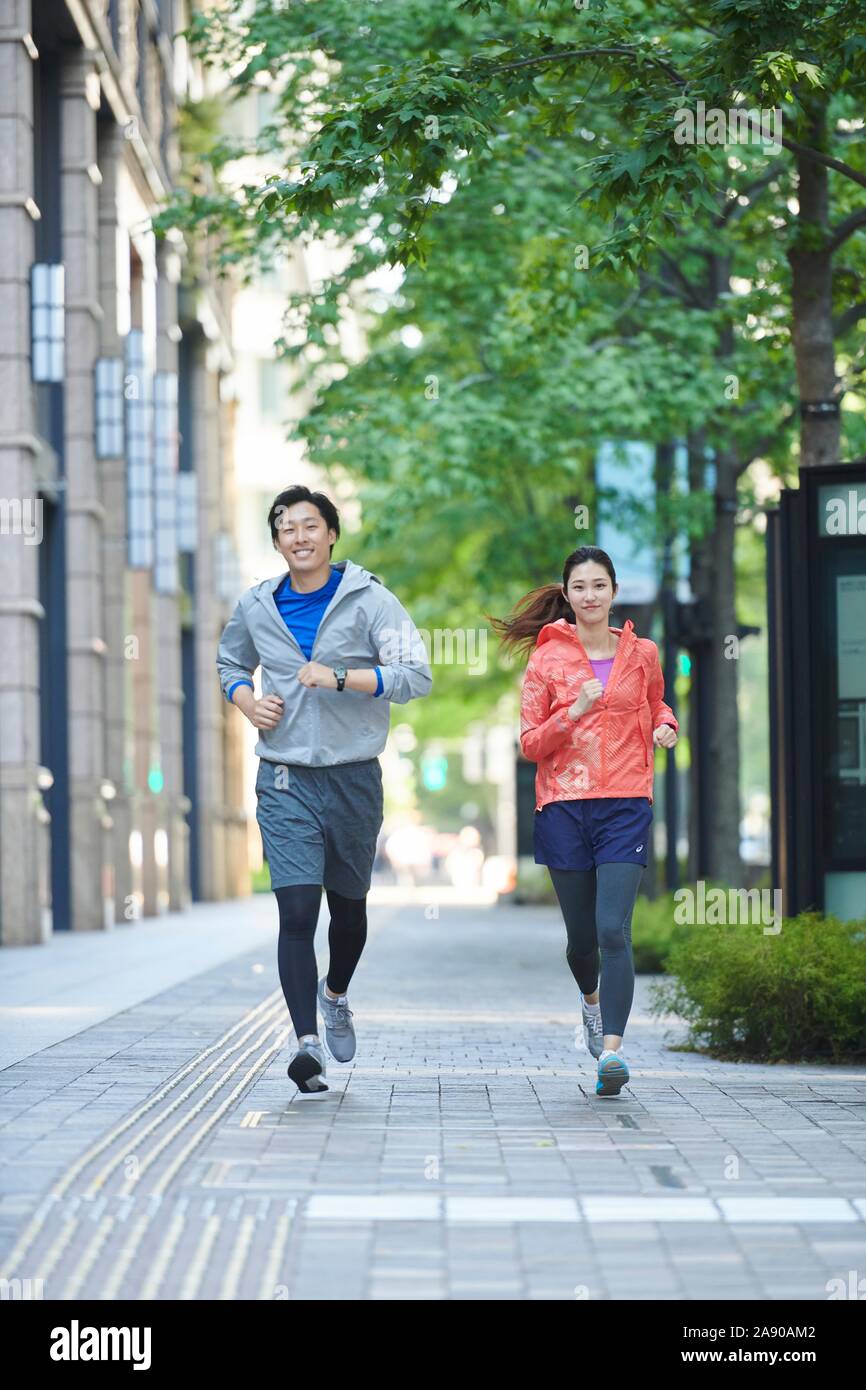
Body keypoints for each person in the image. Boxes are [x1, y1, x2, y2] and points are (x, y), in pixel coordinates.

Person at [216, 486, 432, 1097]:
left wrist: (339, 676)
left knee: (350, 913)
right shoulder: (256, 606)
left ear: (331, 534)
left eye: (311, 526)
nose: (299, 537)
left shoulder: (370, 601)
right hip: (283, 776)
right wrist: (246, 702)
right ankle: (306, 1043)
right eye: (287, 528)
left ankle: (334, 993)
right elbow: (230, 662)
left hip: (354, 777)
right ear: (277, 541)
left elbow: (415, 676)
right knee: (297, 912)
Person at [489, 546, 678, 1097]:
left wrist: (666, 726)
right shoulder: (547, 660)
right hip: (564, 808)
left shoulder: (642, 653)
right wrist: (571, 713)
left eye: (600, 586)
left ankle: (613, 1054)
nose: (590, 596)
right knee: (580, 943)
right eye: (580, 588)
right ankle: (590, 1005)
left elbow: (658, 703)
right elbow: (528, 742)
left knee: (612, 929)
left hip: (625, 802)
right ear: (567, 596)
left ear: (614, 592)